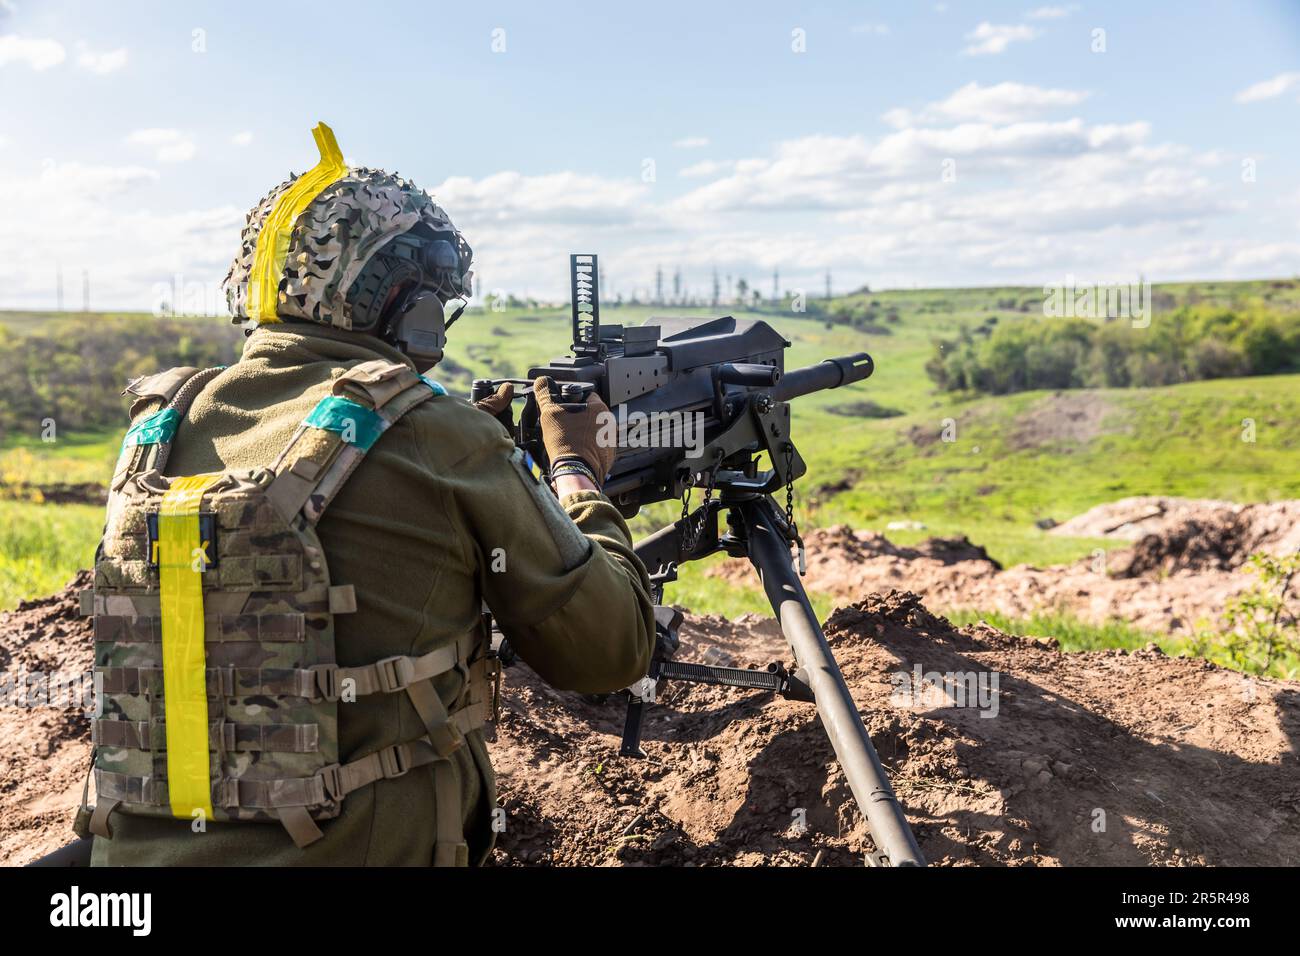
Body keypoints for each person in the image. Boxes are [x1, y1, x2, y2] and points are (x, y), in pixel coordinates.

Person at [82, 125, 655, 866]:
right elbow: (611, 651)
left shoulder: (159, 428)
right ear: (411, 305)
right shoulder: (439, 436)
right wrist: (574, 470)